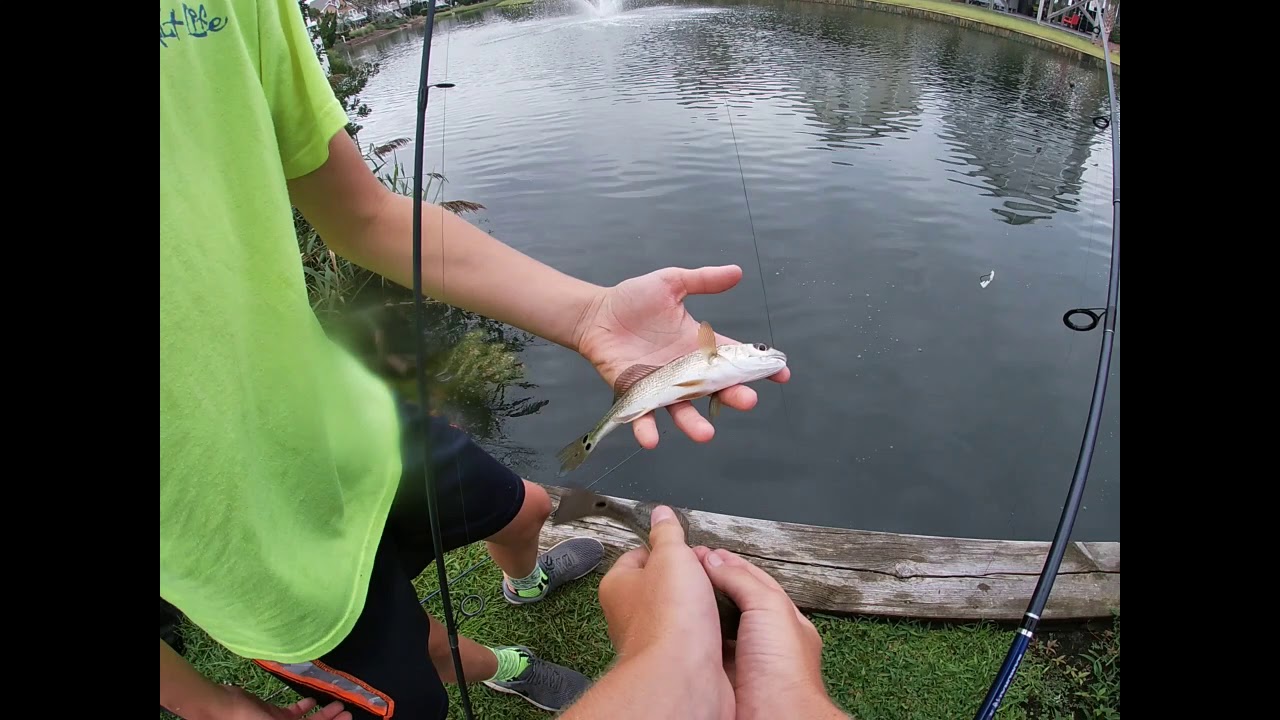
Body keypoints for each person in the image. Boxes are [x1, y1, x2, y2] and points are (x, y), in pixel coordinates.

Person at [159, 0, 791, 718]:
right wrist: (213, 707)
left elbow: (360, 214)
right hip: (242, 551)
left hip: (341, 421)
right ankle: (502, 665)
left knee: (527, 506)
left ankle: (521, 583)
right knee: (413, 672)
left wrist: (588, 315)